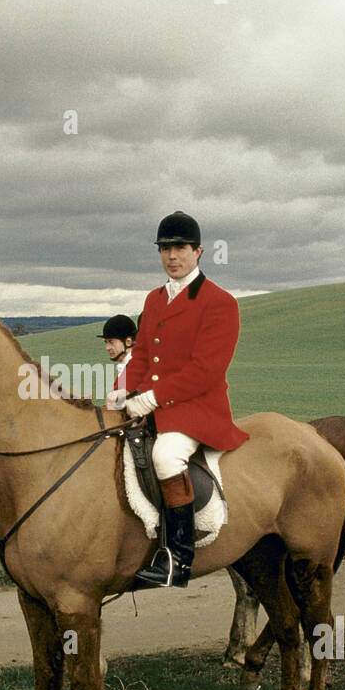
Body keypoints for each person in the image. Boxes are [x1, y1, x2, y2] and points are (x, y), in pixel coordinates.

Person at [107, 211, 249, 589]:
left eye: (180, 248)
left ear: (199, 251)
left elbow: (206, 371)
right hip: (154, 403)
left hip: (199, 409)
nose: (172, 256)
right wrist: (124, 390)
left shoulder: (220, 302)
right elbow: (140, 357)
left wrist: (151, 399)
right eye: (165, 248)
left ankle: (178, 558)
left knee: (164, 456)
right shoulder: (154, 300)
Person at [100, 314, 136, 407]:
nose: (107, 348)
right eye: (106, 342)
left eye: (111, 342)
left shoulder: (135, 368)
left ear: (128, 342)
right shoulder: (124, 366)